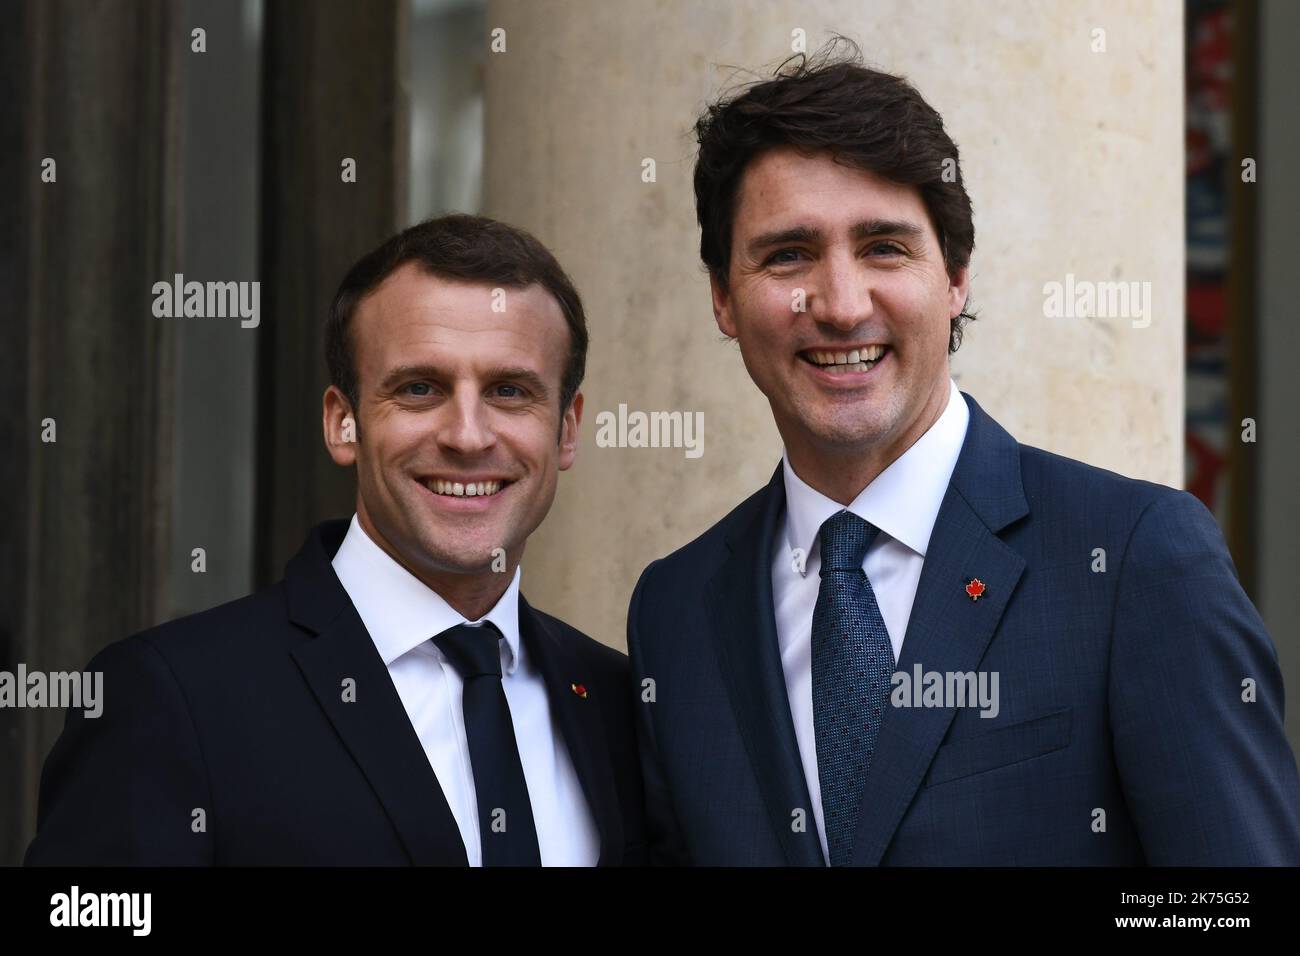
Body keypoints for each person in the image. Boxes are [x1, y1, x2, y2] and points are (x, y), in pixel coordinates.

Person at [627, 42, 1300, 866]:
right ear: (724, 298)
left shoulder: (1134, 559)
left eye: (883, 247)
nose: (841, 305)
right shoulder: (676, 612)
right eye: (788, 254)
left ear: (955, 279)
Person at [27, 214, 645, 866]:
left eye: (510, 391)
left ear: (567, 430)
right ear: (341, 423)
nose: (468, 436)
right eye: (419, 388)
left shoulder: (619, 703)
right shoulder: (170, 696)